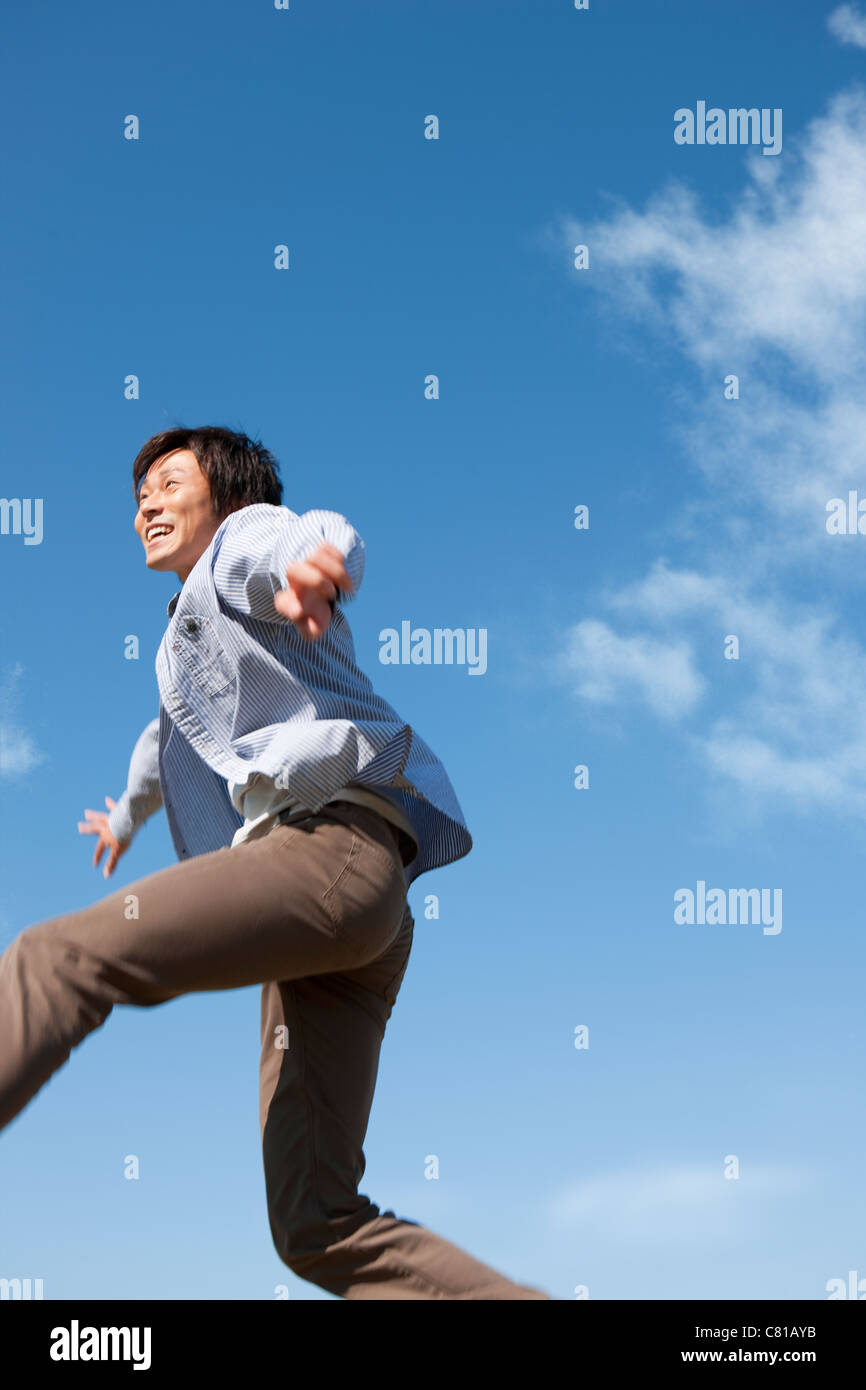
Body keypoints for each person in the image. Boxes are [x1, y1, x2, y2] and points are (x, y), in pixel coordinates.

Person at [0, 425, 552, 1301]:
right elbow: (166, 738)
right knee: (315, 1223)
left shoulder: (241, 547)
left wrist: (317, 562)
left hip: (328, 854)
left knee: (52, 955)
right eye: (138, 491)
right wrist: (127, 811)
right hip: (352, 921)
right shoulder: (193, 637)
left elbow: (306, 534)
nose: (146, 500)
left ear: (222, 496)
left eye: (168, 482)